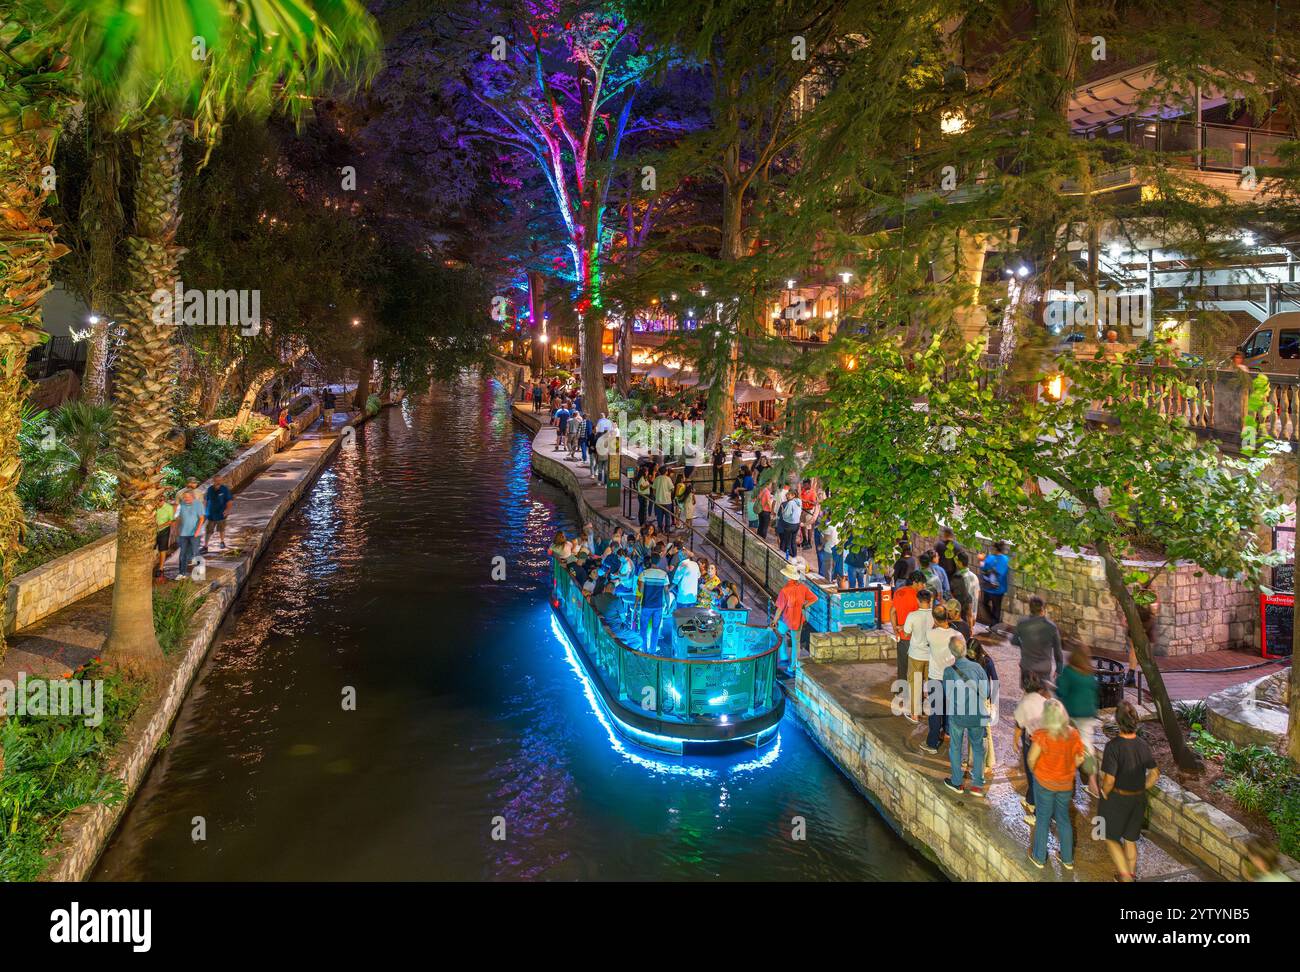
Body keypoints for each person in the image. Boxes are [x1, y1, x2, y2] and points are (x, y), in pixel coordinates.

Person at [1098, 700, 1159, 882]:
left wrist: (1104, 792)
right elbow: (1155, 774)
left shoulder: (1113, 747)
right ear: (1135, 721)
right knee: (1130, 840)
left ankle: (1126, 877)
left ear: (1118, 722)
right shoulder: (1143, 745)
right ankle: (1130, 874)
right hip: (1138, 800)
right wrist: (1141, 787)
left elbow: (1109, 780)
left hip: (1117, 799)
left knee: (1109, 837)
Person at [1027, 699, 1086, 870]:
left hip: (1044, 783)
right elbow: (1080, 758)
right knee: (1063, 819)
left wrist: (1036, 772)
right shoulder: (1073, 734)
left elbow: (1031, 758)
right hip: (1065, 785)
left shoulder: (1042, 734)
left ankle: (1039, 857)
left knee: (1043, 819)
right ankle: (1067, 859)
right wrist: (1068, 767)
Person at [942, 631, 990, 797]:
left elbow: (947, 694)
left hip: (958, 716)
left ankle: (957, 782)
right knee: (977, 748)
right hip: (977, 715)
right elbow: (987, 692)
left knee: (955, 747)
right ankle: (977, 785)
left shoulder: (949, 671)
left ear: (952, 652)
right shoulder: (977, 667)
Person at [1057, 645, 1101, 798]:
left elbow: (1061, 691)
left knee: (1068, 747)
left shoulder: (1069, 672)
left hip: (1072, 715)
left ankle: (1067, 781)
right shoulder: (1089, 673)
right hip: (1088, 715)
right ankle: (1092, 781)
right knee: (1088, 748)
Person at [921, 603, 961, 754]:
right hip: (952, 677)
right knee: (949, 708)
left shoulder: (930, 634)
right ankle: (948, 732)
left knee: (936, 711)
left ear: (934, 619)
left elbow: (927, 643)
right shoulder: (957, 635)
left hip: (935, 676)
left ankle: (932, 743)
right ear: (948, 616)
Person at [1013, 672, 1048, 822]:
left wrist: (1014, 742)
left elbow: (1019, 726)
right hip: (1045, 742)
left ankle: (1037, 812)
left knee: (1033, 774)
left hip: (1033, 742)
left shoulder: (1025, 703)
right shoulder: (1045, 701)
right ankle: (1031, 799)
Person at [771, 563, 818, 674]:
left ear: (788, 577)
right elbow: (814, 598)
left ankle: (784, 658)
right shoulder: (802, 588)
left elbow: (779, 610)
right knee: (796, 643)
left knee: (779, 634)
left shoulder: (784, 591)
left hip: (786, 619)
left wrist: (774, 622)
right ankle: (793, 667)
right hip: (798, 619)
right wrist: (804, 606)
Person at [1012, 594, 1064, 686]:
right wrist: (1059, 668)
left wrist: (1024, 646)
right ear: (1043, 609)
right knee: (1043, 695)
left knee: (1027, 692)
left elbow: (1014, 641)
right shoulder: (1051, 626)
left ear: (1030, 608)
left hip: (1027, 667)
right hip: (1043, 669)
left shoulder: (1022, 623)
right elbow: (1058, 650)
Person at [903, 589, 934, 723]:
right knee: (931, 684)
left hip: (916, 654)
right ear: (930, 600)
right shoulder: (935, 615)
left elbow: (906, 632)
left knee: (915, 684)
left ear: (918, 600)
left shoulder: (912, 615)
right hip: (931, 655)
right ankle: (931, 712)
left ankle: (915, 714)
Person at [892, 570, 925, 688]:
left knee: (902, 665)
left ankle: (901, 690)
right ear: (915, 582)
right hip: (914, 637)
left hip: (902, 636)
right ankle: (914, 692)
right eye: (922, 583)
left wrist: (895, 630)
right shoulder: (918, 598)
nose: (923, 586)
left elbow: (892, 612)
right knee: (916, 667)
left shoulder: (898, 592)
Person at [637, 555, 671, 652]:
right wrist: (668, 605)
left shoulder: (644, 573)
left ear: (651, 561)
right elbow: (666, 592)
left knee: (643, 628)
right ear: (659, 561)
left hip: (646, 605)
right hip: (658, 606)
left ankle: (643, 649)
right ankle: (652, 650)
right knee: (655, 629)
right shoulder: (664, 574)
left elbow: (641, 590)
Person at [175, 488, 205, 579]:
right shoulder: (181, 505)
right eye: (184, 497)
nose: (186, 499)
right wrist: (177, 530)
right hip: (183, 534)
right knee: (183, 554)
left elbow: (201, 518)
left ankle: (199, 571)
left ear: (193, 497)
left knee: (195, 552)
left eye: (188, 497)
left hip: (195, 534)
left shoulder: (198, 504)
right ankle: (182, 573)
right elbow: (177, 517)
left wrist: (197, 531)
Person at [979, 541, 1010, 625]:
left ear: (996, 549)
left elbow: (983, 568)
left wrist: (981, 560)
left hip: (988, 588)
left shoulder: (990, 558)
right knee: (997, 608)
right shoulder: (1006, 559)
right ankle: (994, 624)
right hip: (1000, 589)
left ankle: (992, 621)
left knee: (985, 604)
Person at [202, 473, 234, 552]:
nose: (218, 482)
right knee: (208, 531)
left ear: (222, 481)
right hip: (210, 514)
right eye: (216, 481)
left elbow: (229, 501)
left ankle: (222, 542)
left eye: (219, 480)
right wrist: (204, 510)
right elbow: (206, 500)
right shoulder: (210, 489)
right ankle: (205, 546)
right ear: (213, 481)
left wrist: (227, 510)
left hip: (221, 514)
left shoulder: (225, 489)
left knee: (221, 529)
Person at [951, 552, 980, 630]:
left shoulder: (958, 578)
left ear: (960, 563)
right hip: (973, 614)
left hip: (962, 615)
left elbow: (956, 598)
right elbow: (977, 594)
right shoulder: (975, 577)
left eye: (956, 561)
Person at [153, 493, 176, 581]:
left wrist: (161, 526)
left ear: (164, 500)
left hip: (164, 531)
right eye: (158, 500)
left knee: (162, 550)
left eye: (161, 500)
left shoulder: (169, 508)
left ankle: (161, 568)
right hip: (153, 532)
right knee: (151, 549)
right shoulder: (153, 506)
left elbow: (172, 521)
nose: (159, 502)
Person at [776, 488, 802, 559]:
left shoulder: (791, 503)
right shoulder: (799, 501)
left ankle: (788, 558)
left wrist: (783, 511)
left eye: (788, 495)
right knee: (793, 542)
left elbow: (786, 514)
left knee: (787, 543)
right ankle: (794, 557)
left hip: (789, 525)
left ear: (793, 495)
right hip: (796, 524)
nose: (787, 496)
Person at [652, 466, 674, 532]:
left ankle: (660, 529)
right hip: (667, 501)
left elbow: (653, 489)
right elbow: (672, 489)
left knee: (659, 517)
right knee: (667, 517)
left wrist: (656, 496)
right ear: (666, 472)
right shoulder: (668, 479)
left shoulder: (657, 479)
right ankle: (667, 530)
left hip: (658, 501)